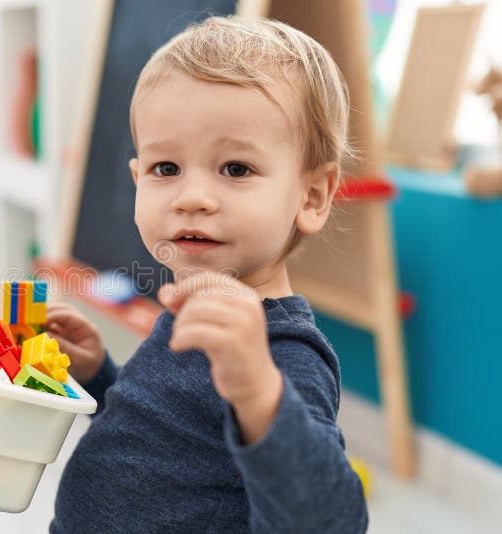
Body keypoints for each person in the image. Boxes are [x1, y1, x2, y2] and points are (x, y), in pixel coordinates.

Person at [47, 15, 369, 533]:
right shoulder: (194, 305)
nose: (191, 198)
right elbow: (166, 435)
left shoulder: (280, 352)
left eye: (235, 169)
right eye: (166, 169)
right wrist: (100, 376)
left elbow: (334, 521)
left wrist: (259, 391)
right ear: (137, 178)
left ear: (311, 197)